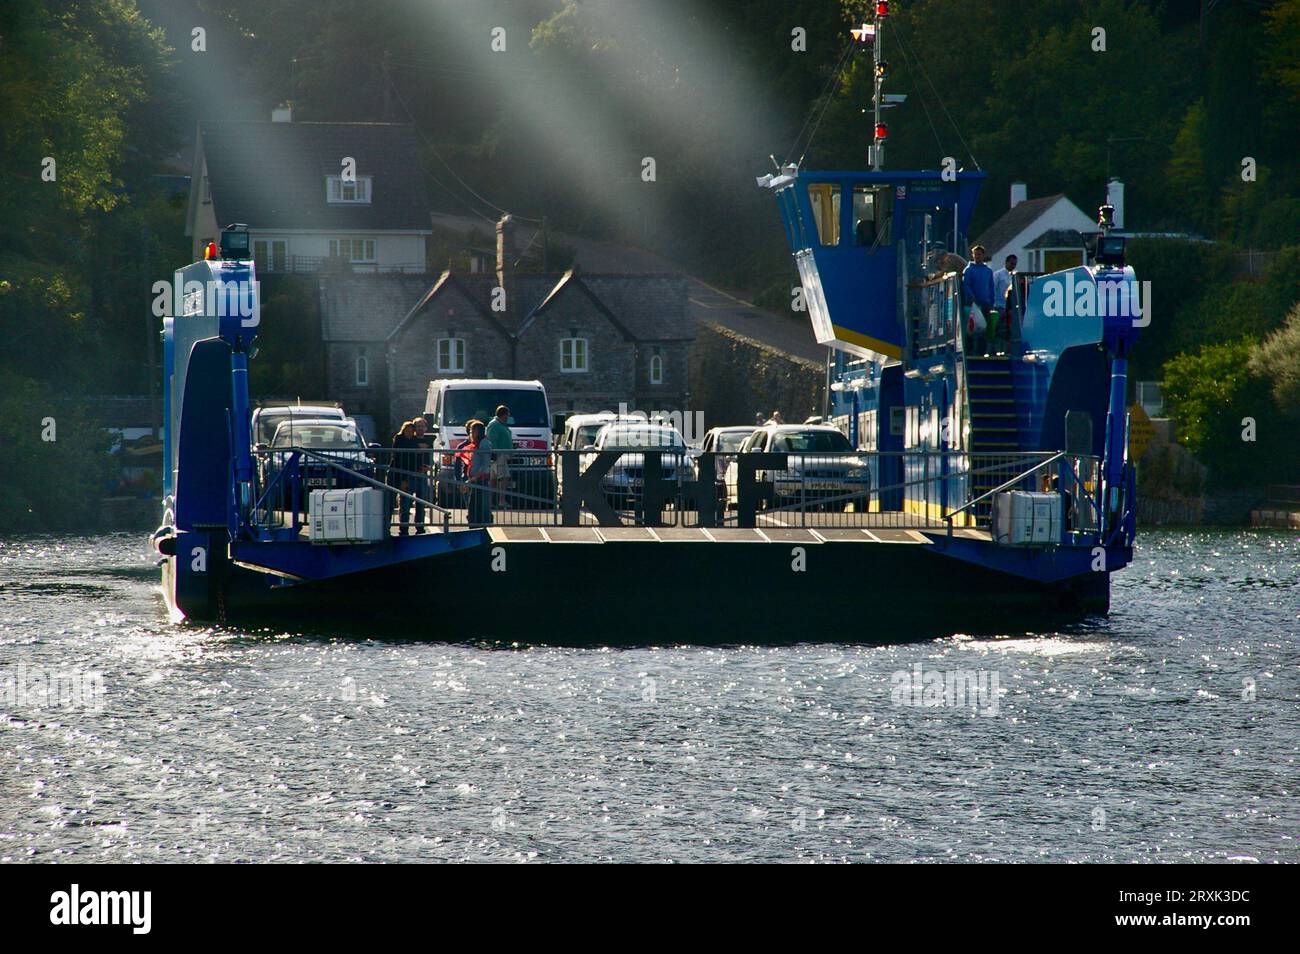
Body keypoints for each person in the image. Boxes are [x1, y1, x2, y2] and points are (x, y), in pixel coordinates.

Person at [961, 244, 995, 355]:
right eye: (975, 254)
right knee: (970, 328)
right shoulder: (969, 270)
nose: (977, 256)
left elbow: (991, 287)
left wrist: (991, 302)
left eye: (979, 254)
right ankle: (969, 351)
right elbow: (966, 285)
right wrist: (971, 297)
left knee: (983, 328)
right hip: (971, 304)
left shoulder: (988, 271)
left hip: (985, 303)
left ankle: (981, 352)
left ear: (983, 255)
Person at [388, 420, 420, 535]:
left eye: (412, 431)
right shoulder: (399, 439)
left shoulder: (414, 442)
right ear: (403, 430)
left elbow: (413, 461)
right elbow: (398, 459)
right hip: (395, 472)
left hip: (407, 473)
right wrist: (402, 480)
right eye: (407, 430)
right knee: (390, 501)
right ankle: (386, 527)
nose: (409, 433)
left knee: (405, 502)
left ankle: (403, 528)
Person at [462, 420, 494, 527]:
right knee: (474, 505)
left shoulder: (484, 443)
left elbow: (485, 463)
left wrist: (475, 477)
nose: (470, 433)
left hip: (480, 479)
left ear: (477, 431)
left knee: (480, 505)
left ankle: (482, 526)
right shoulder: (476, 444)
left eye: (472, 431)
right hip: (475, 479)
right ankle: (474, 525)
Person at [485, 404, 513, 509]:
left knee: (494, 480)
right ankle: (501, 501)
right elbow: (492, 440)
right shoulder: (495, 425)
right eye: (507, 415)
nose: (507, 418)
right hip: (498, 455)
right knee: (503, 477)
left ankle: (491, 502)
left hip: (500, 455)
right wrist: (495, 453)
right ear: (503, 414)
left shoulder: (500, 424)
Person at [411, 416, 433, 532]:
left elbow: (431, 457)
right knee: (406, 504)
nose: (420, 428)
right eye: (418, 426)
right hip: (410, 474)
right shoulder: (410, 440)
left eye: (422, 426)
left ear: (426, 428)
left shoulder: (429, 440)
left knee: (421, 503)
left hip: (423, 475)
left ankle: (420, 527)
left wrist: (428, 467)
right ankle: (403, 529)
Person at [993, 254, 1018, 351]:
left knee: (1009, 329)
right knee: (998, 329)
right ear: (1006, 262)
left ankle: (1007, 350)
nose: (1013, 266)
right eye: (1011, 263)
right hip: (999, 306)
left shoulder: (1015, 275)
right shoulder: (997, 275)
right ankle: (997, 350)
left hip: (1011, 308)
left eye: (1015, 264)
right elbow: (993, 289)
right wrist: (994, 305)